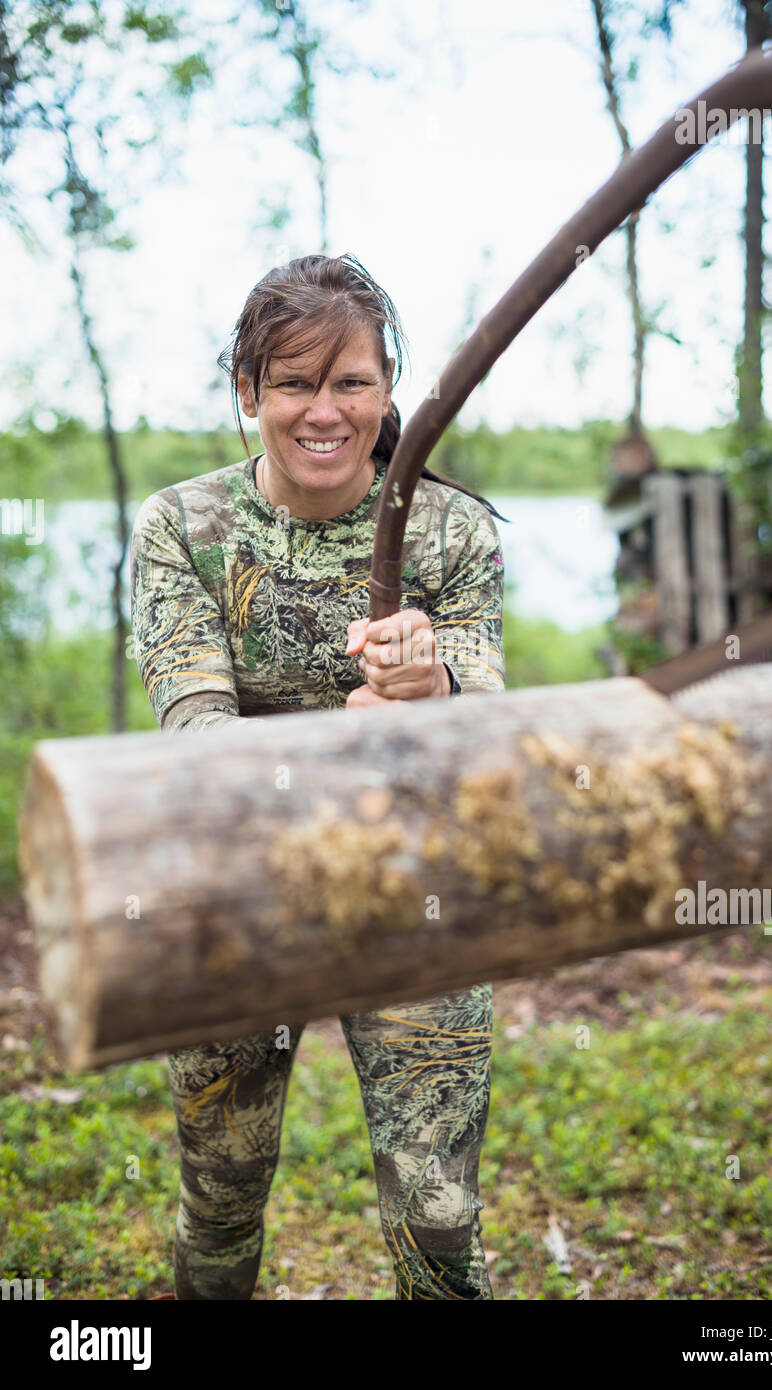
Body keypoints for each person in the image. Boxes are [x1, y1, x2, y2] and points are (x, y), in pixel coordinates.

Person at [128, 252, 507, 1300]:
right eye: (294, 382)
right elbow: (195, 723)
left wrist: (432, 691)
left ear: (389, 389)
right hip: (238, 892)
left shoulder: (449, 527)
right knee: (221, 1198)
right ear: (248, 393)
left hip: (414, 894)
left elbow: (487, 721)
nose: (324, 411)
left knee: (438, 1218)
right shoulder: (182, 528)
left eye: (353, 382)